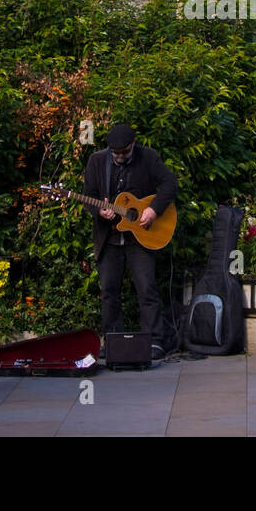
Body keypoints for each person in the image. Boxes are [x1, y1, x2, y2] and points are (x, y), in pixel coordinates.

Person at [82, 123, 178, 360]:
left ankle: (155, 340)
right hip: (109, 238)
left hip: (142, 237)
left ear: (133, 144)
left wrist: (154, 210)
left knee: (147, 289)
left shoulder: (148, 157)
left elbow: (170, 184)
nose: (120, 157)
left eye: (125, 152)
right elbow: (88, 197)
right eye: (116, 154)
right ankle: (113, 341)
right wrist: (99, 212)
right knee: (109, 291)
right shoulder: (97, 161)